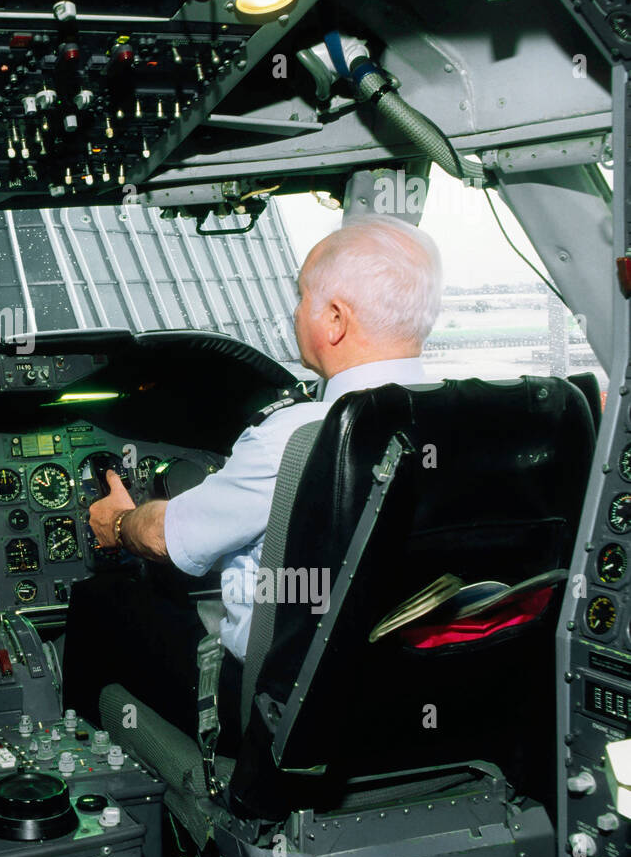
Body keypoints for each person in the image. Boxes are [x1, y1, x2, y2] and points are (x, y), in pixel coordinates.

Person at [87, 214, 442, 661]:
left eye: (303, 297)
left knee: (101, 601)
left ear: (334, 319)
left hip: (276, 697)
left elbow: (164, 537)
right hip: (399, 673)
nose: (295, 311)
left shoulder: (299, 437)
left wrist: (118, 523)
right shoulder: (462, 418)